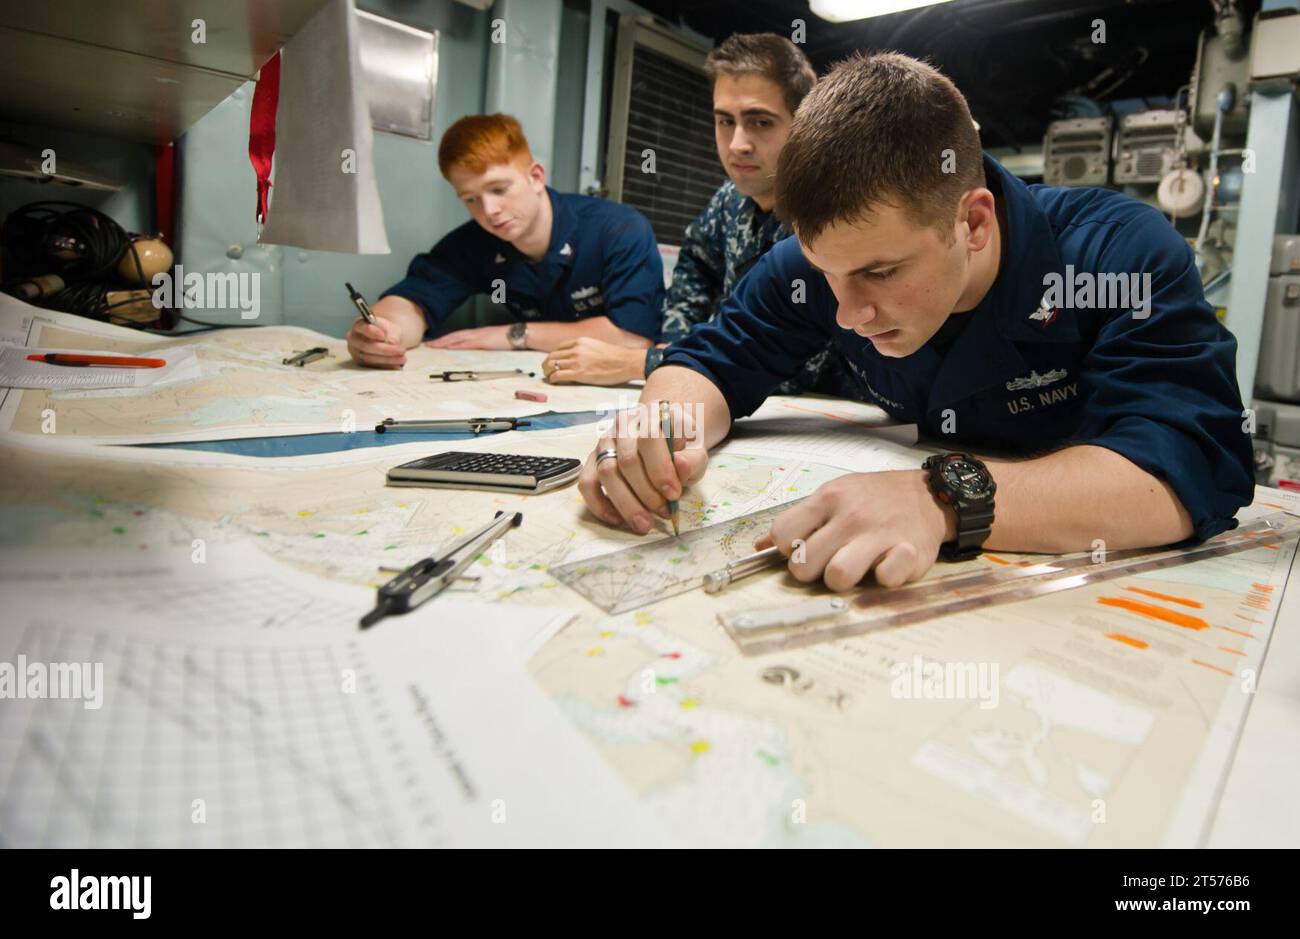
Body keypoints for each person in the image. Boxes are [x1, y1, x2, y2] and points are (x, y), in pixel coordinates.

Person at [577, 52, 1254, 591]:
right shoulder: (816, 269)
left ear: (973, 222)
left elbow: (1180, 470)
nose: (847, 311)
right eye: (828, 274)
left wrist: (943, 499)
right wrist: (660, 429)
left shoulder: (1115, 255)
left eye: (880, 273)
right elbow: (704, 364)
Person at [541, 33, 839, 393]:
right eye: (725, 121)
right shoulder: (729, 199)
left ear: (801, 125)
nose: (738, 144)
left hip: (830, 417)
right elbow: (694, 268)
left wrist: (644, 363)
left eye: (760, 122)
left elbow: (798, 366)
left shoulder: (828, 214)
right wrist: (675, 347)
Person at [347, 113, 663, 367]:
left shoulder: (619, 229)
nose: (489, 211)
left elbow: (632, 338)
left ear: (536, 177)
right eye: (471, 199)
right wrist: (384, 330)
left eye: (499, 189)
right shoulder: (476, 242)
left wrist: (516, 334)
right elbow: (415, 299)